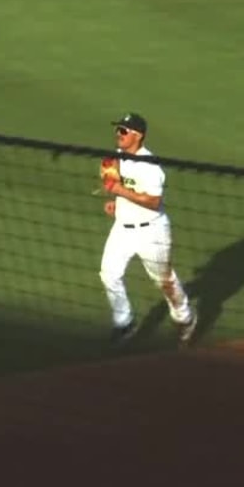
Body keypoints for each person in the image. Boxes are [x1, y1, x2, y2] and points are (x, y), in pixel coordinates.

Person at [99, 112, 198, 348]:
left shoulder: (150, 165)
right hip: (122, 228)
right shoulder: (118, 156)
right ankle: (124, 322)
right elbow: (121, 186)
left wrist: (121, 193)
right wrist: (118, 202)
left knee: (164, 281)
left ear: (138, 135)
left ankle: (185, 318)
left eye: (123, 131)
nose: (118, 134)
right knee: (109, 274)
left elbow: (153, 201)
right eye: (118, 130)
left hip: (151, 232)